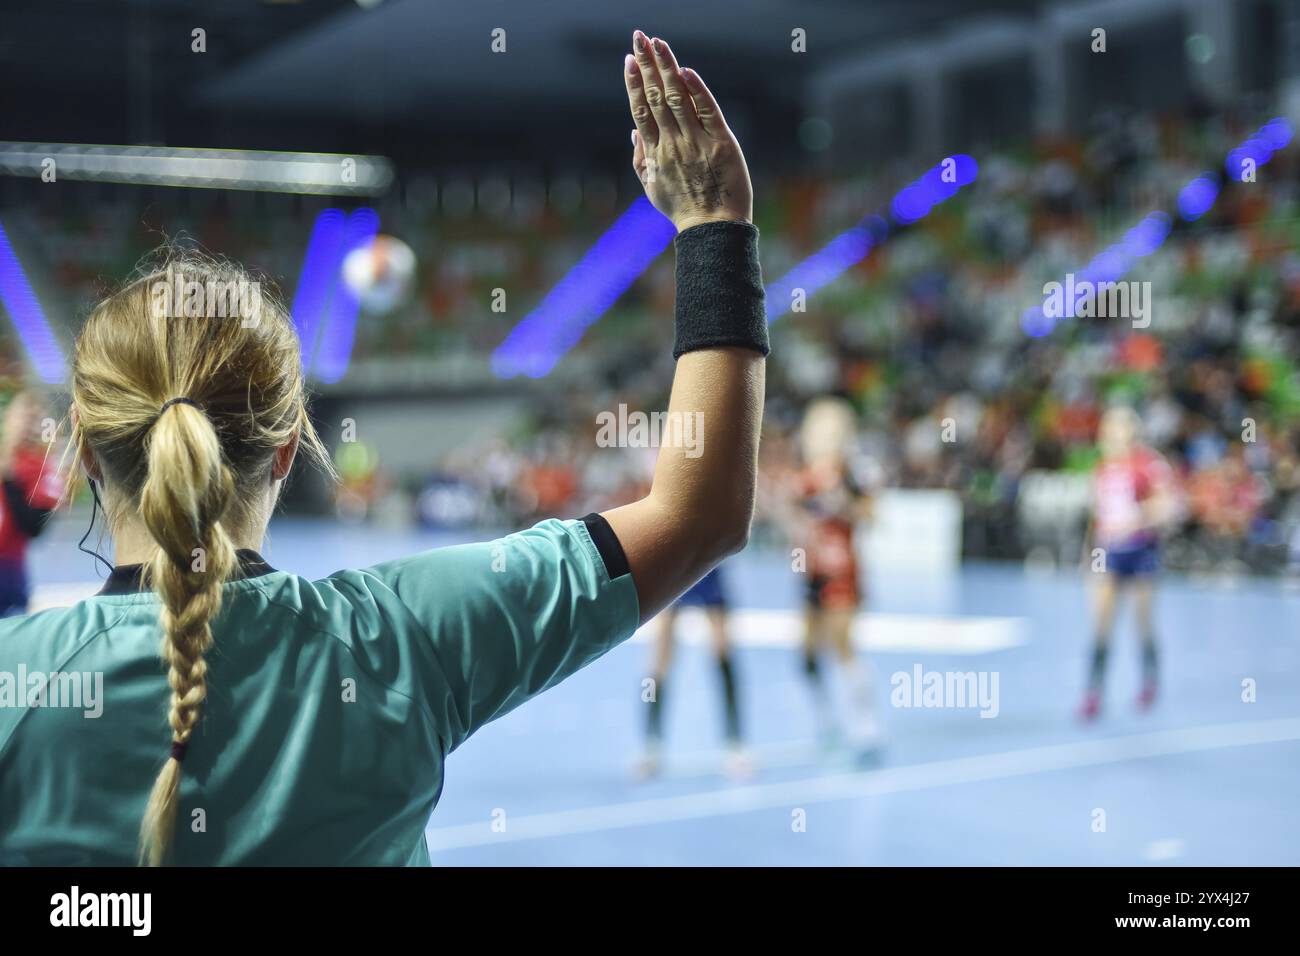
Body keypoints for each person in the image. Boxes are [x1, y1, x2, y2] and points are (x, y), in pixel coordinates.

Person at [0, 31, 768, 865]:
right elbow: (700, 516)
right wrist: (712, 226)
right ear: (289, 446)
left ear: (82, 442)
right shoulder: (405, 636)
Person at [778, 396, 882, 758]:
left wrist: (843, 505)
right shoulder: (805, 475)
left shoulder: (854, 471)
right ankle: (826, 718)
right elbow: (789, 514)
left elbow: (871, 515)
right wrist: (799, 525)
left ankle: (866, 728)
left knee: (843, 644)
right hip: (811, 570)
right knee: (807, 652)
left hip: (842, 570)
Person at [1079, 406, 1176, 721]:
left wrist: (1136, 520)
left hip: (1141, 550)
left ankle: (1149, 680)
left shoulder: (1148, 464)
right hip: (1108, 551)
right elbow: (1097, 518)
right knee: (1101, 623)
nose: (1109, 435)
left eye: (1116, 429)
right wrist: (1089, 555)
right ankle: (1093, 692)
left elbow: (1167, 506)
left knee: (1142, 620)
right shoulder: (1102, 468)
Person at [637, 564, 751, 780]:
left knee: (723, 651)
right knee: (659, 658)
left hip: (708, 562)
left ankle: (735, 743)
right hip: (675, 564)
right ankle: (651, 745)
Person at [0, 390, 63, 616]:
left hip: (8, 570)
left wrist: (9, 480)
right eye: (23, 417)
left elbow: (35, 526)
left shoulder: (42, 468)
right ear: (9, 419)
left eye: (35, 419)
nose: (28, 425)